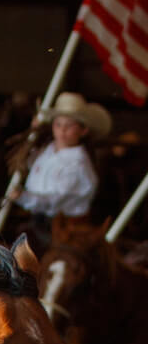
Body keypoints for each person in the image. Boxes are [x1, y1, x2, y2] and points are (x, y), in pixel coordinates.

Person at [7, 91, 110, 239]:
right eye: (58, 124)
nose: (62, 130)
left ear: (83, 130)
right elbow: (29, 163)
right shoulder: (47, 150)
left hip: (64, 227)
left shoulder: (78, 164)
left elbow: (53, 200)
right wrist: (34, 132)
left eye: (69, 126)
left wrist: (23, 197)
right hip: (38, 218)